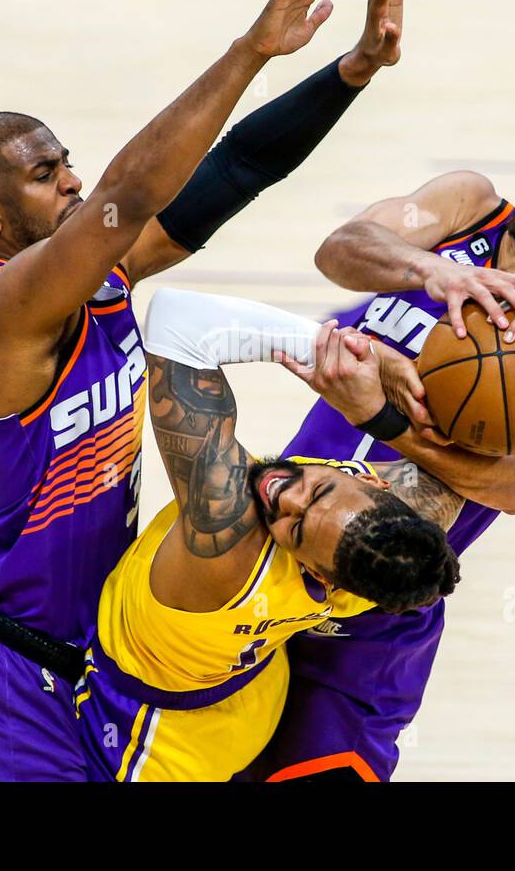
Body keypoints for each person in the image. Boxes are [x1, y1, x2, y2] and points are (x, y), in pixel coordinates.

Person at [0, 0, 419, 782]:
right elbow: (126, 196)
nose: (70, 181)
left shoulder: (104, 276)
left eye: (68, 163)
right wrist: (250, 49)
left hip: (85, 661)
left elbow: (238, 169)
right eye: (45, 174)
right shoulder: (5, 311)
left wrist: (353, 69)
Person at [242, 91, 515, 781]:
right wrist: (436, 270)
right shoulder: (466, 204)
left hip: (367, 616)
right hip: (262, 554)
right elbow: (341, 249)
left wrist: (380, 418)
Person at [73, 289, 462, 781]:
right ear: (371, 479)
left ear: (316, 570)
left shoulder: (228, 530)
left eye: (294, 529)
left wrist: (348, 353)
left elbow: (176, 321)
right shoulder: (359, 571)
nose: (283, 496)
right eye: (318, 491)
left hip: (157, 743)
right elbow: (451, 482)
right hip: (253, 698)